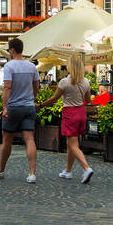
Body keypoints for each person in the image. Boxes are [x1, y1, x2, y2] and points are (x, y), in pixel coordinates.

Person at [0, 36, 39, 183]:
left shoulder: (9, 66)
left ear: (12, 50)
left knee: (7, 139)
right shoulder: (31, 66)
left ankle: (1, 169)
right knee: (29, 139)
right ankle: (32, 173)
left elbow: (7, 87)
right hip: (29, 107)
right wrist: (32, 99)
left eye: (9, 50)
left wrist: (5, 107)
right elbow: (36, 86)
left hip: (14, 107)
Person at [40, 53, 94, 183]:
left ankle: (86, 168)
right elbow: (88, 100)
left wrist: (40, 105)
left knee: (73, 145)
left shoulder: (64, 82)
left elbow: (54, 98)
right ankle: (68, 171)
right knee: (72, 144)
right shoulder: (86, 81)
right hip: (81, 113)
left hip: (70, 113)